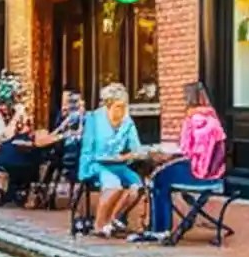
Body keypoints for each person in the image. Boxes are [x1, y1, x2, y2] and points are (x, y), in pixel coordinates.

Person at [141, 82, 227, 240]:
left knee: (158, 179)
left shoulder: (192, 120)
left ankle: (160, 228)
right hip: (214, 174)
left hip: (197, 172)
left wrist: (167, 153)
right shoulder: (213, 118)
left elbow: (186, 149)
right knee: (164, 175)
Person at [78, 82, 143, 237]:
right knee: (114, 185)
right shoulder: (94, 118)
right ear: (108, 105)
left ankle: (113, 218)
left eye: (124, 106)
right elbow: (88, 148)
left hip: (118, 163)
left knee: (137, 186)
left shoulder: (127, 122)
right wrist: (102, 158)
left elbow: (136, 147)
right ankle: (99, 225)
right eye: (118, 107)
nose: (121, 111)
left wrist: (130, 155)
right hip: (95, 163)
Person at [0, 71, 35, 205]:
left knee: (32, 159)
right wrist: (15, 119)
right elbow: (2, 137)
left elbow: (26, 132)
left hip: (17, 151)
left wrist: (24, 121)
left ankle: (19, 191)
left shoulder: (17, 113)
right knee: (16, 159)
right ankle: (11, 192)